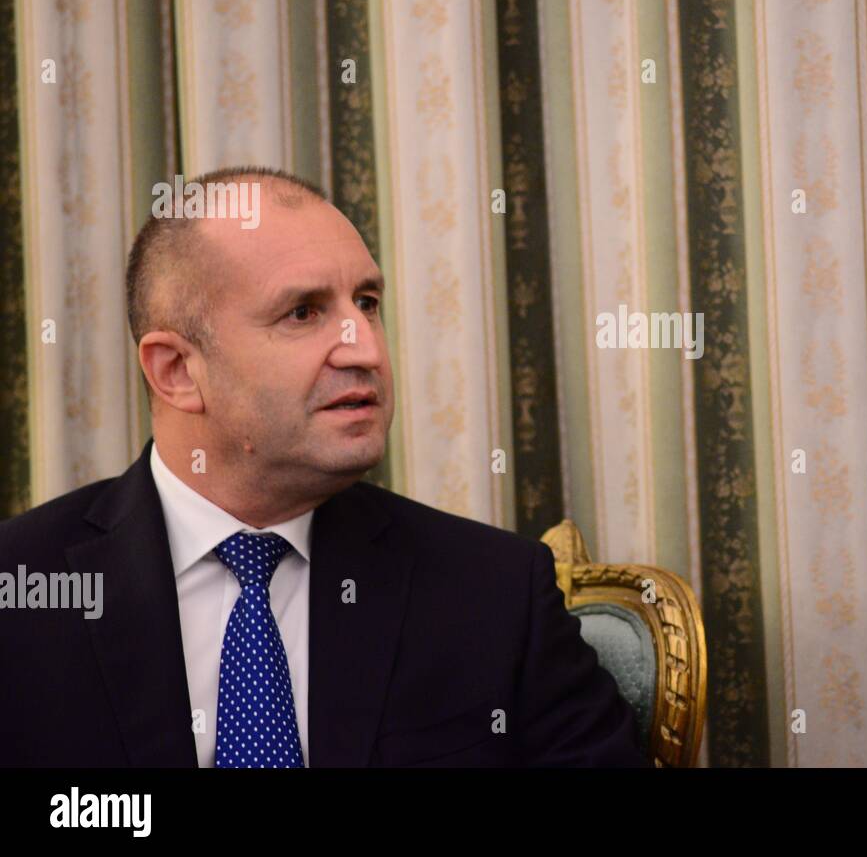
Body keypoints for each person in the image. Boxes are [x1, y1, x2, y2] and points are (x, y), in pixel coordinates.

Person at [0, 166, 647, 768]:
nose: (363, 347)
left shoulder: (496, 594)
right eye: (304, 312)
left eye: (366, 302)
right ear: (177, 371)